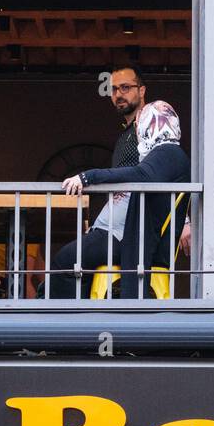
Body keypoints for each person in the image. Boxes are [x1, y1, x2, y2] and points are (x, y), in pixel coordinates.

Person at [63, 100, 192, 299]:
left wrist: (90, 176)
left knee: (65, 260)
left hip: (142, 247)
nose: (138, 133)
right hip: (141, 245)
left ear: (150, 126)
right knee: (75, 260)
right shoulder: (168, 154)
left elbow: (142, 174)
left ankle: (63, 319)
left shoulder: (168, 152)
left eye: (141, 126)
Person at [48, 65, 145, 298]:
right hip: (112, 226)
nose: (118, 94)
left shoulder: (148, 127)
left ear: (142, 91)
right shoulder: (126, 133)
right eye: (114, 90)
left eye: (125, 87)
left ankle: (68, 329)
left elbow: (166, 171)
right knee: (65, 268)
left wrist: (185, 220)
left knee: (64, 261)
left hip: (128, 231)